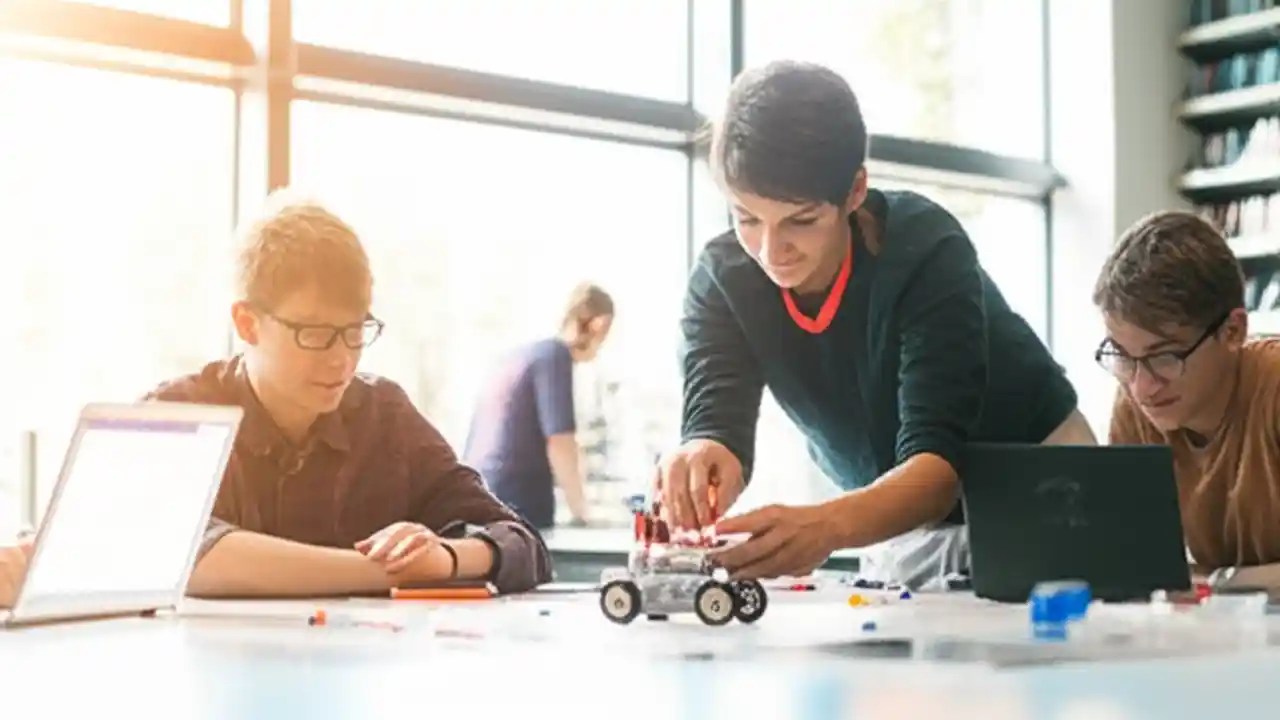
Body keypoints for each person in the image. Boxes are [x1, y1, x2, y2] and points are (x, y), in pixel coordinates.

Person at [655, 60, 1091, 589]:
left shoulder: (924, 247)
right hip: (895, 514)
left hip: (1046, 481)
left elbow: (935, 467)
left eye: (801, 220)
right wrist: (703, 455)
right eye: (746, 218)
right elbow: (717, 422)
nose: (772, 251)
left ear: (855, 190)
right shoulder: (722, 280)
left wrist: (825, 524)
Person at [145, 191, 551, 598]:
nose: (341, 360)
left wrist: (446, 558)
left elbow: (522, 544)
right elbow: (182, 553)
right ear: (248, 324)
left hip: (358, 658)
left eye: (355, 331)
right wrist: (393, 573)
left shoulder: (386, 416)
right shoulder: (180, 415)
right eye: (316, 334)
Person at [1096, 210, 1280, 587]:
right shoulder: (1134, 405)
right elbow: (1130, 557)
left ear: (1232, 331)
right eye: (1123, 357)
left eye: (1165, 357)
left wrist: (1217, 582)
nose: (1141, 388)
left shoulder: (1272, 389)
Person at [463, 284, 614, 530]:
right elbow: (560, 440)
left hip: (481, 493)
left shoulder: (520, 356)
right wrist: (582, 512)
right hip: (516, 504)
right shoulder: (556, 356)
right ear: (600, 324)